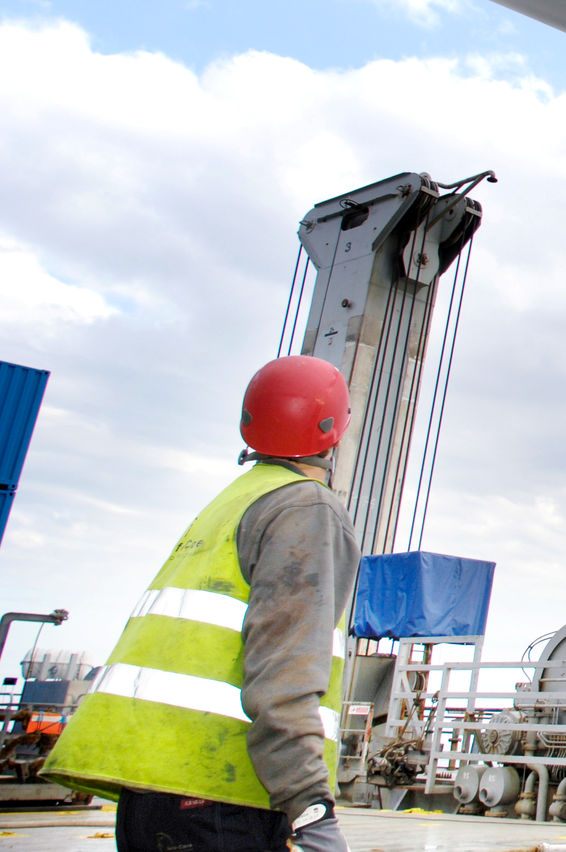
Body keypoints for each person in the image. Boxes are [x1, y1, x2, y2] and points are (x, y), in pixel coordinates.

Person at [43, 355, 361, 852]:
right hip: (218, 798)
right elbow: (285, 674)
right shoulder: (305, 508)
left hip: (149, 792)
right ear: (335, 430)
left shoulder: (234, 501)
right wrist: (311, 808)